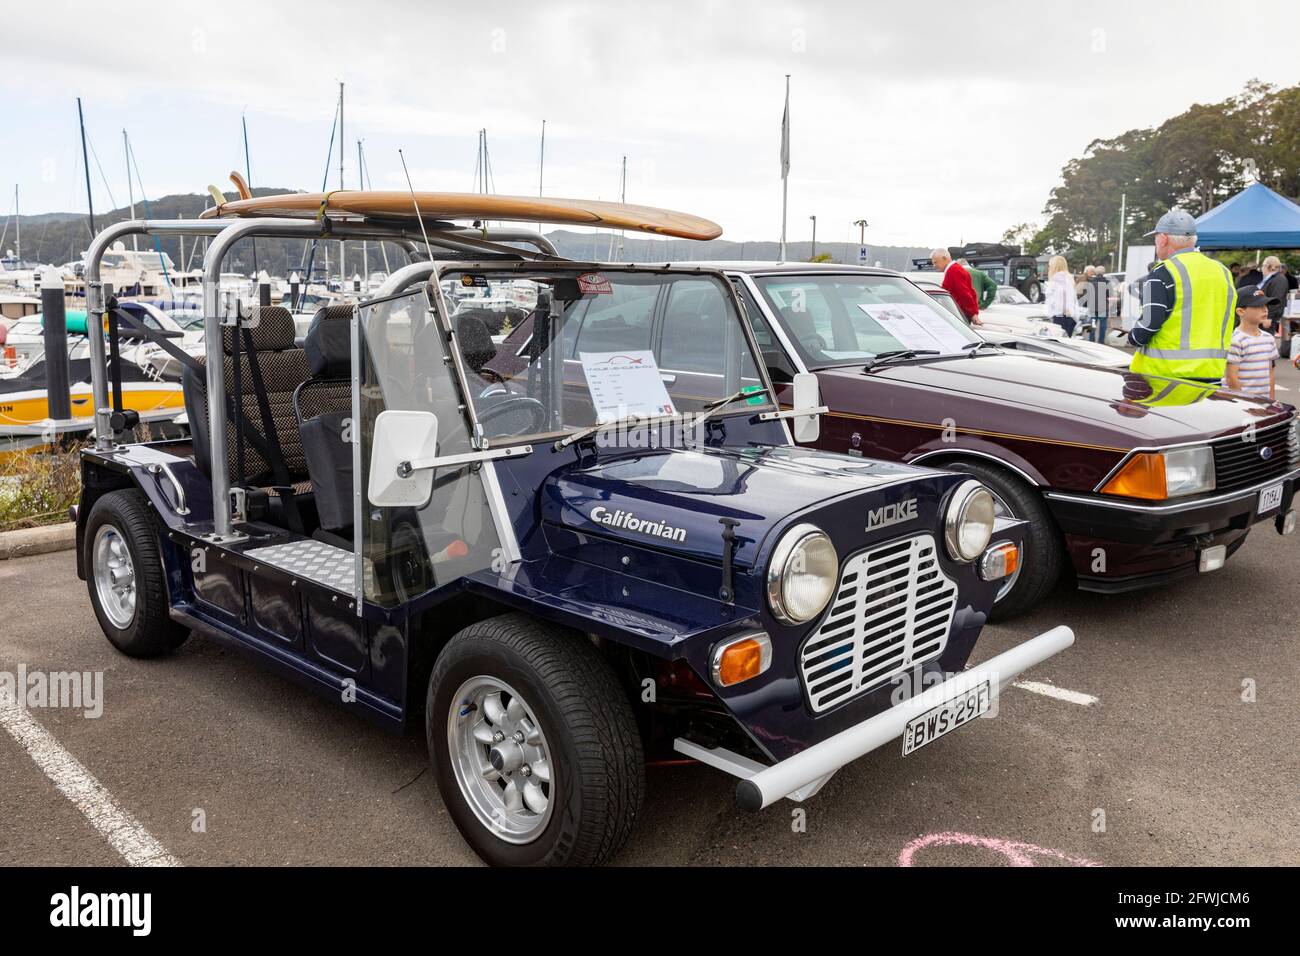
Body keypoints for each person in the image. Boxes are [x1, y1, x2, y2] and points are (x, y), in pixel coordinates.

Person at [1129, 209, 1236, 384]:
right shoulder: (1222, 271)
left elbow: (1150, 322)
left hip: (1164, 376)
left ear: (1163, 239)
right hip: (1211, 373)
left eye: (1155, 238)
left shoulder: (1163, 271)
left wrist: (1133, 337)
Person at [1223, 288, 1278, 400]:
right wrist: (1244, 402)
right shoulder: (1236, 340)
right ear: (1240, 311)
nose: (1265, 310)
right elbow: (1231, 378)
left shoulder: (1269, 339)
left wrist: (1271, 401)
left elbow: (1270, 372)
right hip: (1241, 403)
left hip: (1263, 402)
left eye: (1266, 305)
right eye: (1259, 306)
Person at [931, 248, 981, 324]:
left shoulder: (953, 271)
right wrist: (974, 313)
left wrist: (973, 314)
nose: (934, 266)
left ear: (944, 258)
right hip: (961, 314)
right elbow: (971, 292)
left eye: (935, 262)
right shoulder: (956, 269)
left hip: (960, 315)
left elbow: (964, 293)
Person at [1044, 255, 1078, 336]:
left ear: (1054, 266)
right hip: (1070, 316)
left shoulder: (1057, 278)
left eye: (1050, 266)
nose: (1048, 268)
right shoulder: (1069, 278)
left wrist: (1051, 314)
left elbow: (1058, 300)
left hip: (1060, 317)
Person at [1257, 256, 1288, 337]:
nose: (1262, 268)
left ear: (1269, 266)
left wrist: (1269, 317)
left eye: (1263, 265)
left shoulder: (1279, 279)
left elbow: (1276, 300)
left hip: (1267, 317)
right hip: (1263, 315)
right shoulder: (1272, 278)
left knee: (1265, 342)